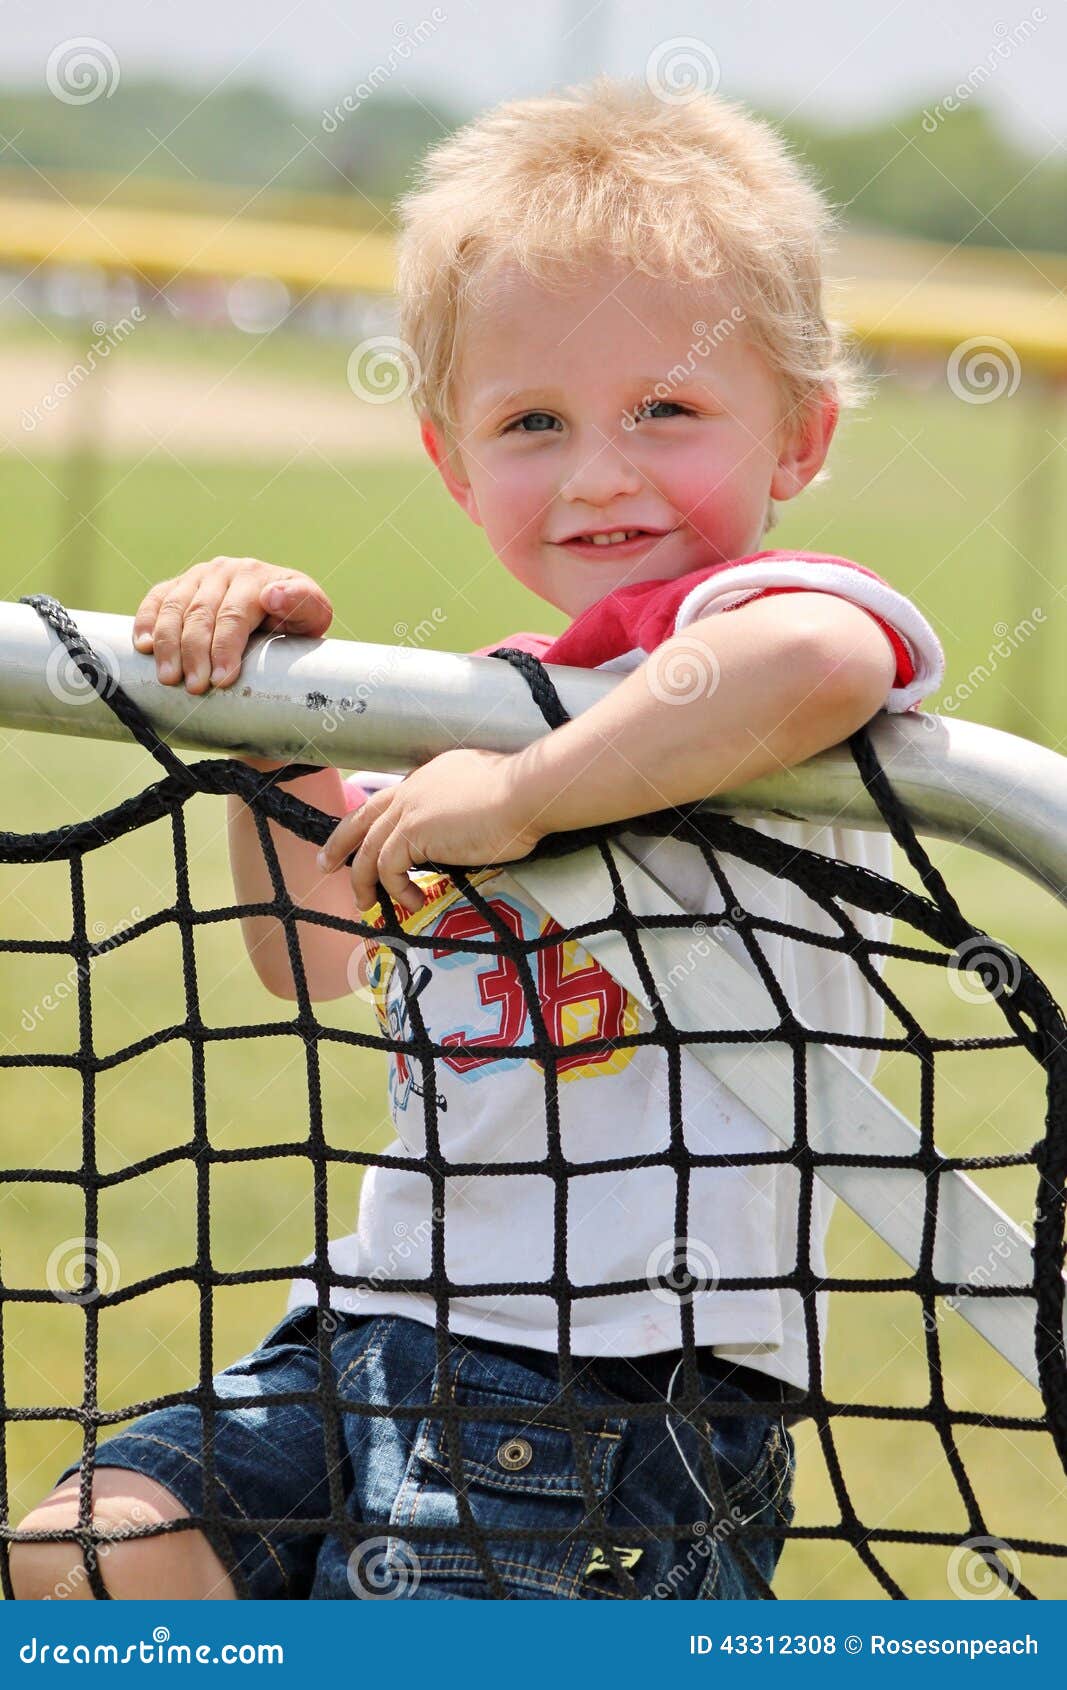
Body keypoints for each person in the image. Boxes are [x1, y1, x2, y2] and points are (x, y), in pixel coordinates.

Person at [11, 74, 943, 1602]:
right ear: (452, 459)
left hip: (618, 1393)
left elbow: (823, 663)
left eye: (668, 406)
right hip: (368, 1333)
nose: (598, 469)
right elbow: (306, 943)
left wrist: (521, 799)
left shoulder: (718, 647)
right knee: (87, 1558)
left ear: (802, 435)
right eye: (533, 421)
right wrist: (278, 719)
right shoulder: (483, 715)